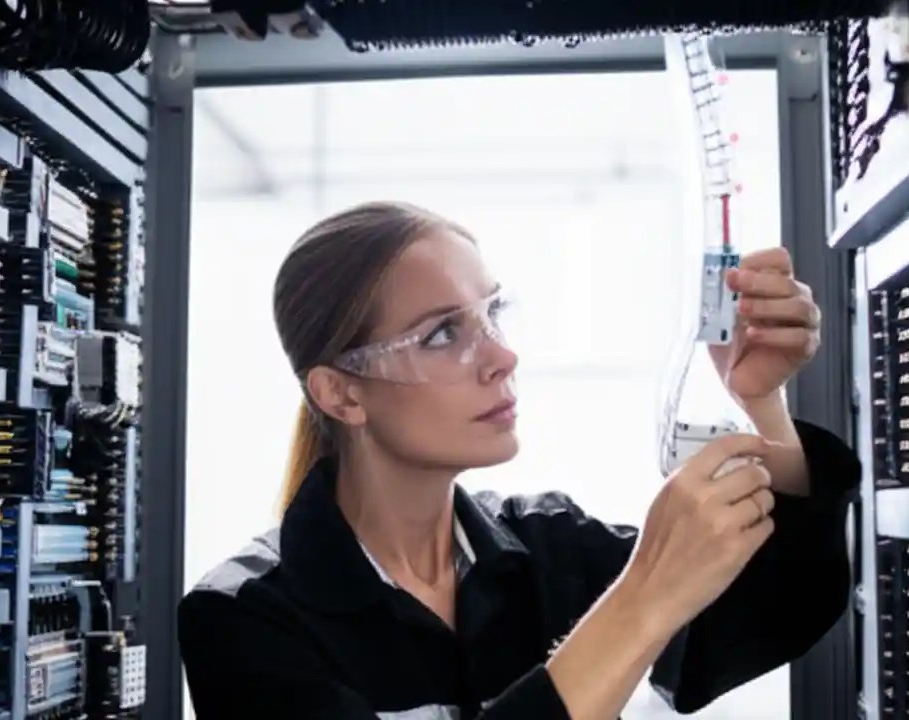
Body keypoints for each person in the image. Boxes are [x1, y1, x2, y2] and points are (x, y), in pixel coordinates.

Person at [177, 201, 860, 720]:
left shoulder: (544, 547)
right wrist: (645, 596)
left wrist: (758, 399)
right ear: (340, 393)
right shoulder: (240, 618)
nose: (503, 356)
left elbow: (779, 610)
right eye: (443, 333)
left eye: (492, 313)